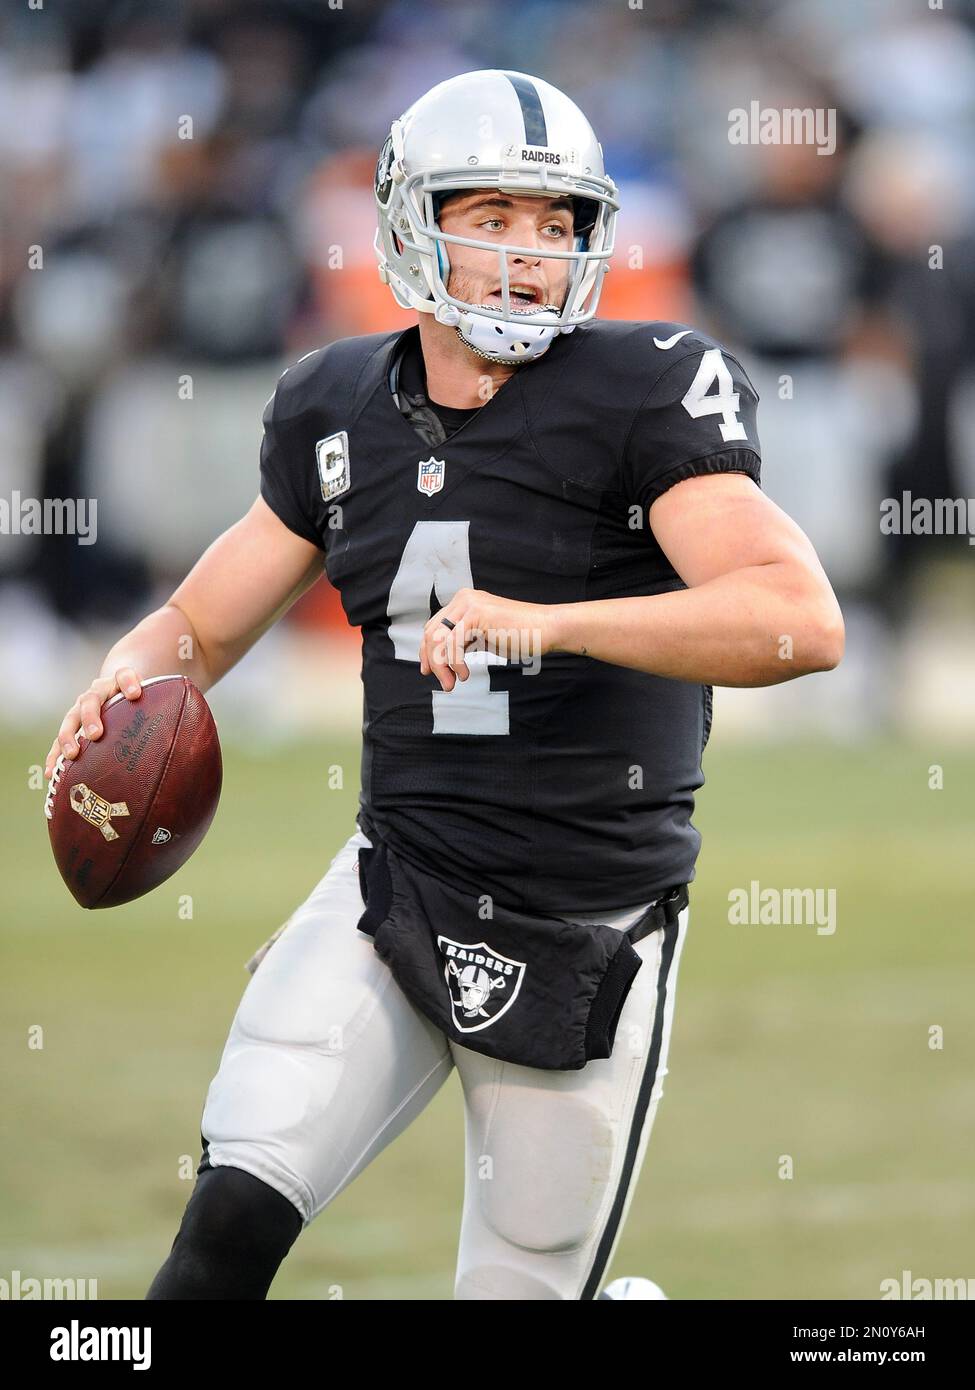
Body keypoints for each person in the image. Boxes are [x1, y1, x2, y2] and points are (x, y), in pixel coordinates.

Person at [44, 70, 844, 1300]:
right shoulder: (336, 405)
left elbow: (799, 621)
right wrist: (121, 680)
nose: (530, 255)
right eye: (494, 218)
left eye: (555, 224)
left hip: (586, 925)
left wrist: (553, 627)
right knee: (220, 1235)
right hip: (392, 888)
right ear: (412, 224)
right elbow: (198, 625)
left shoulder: (640, 389)